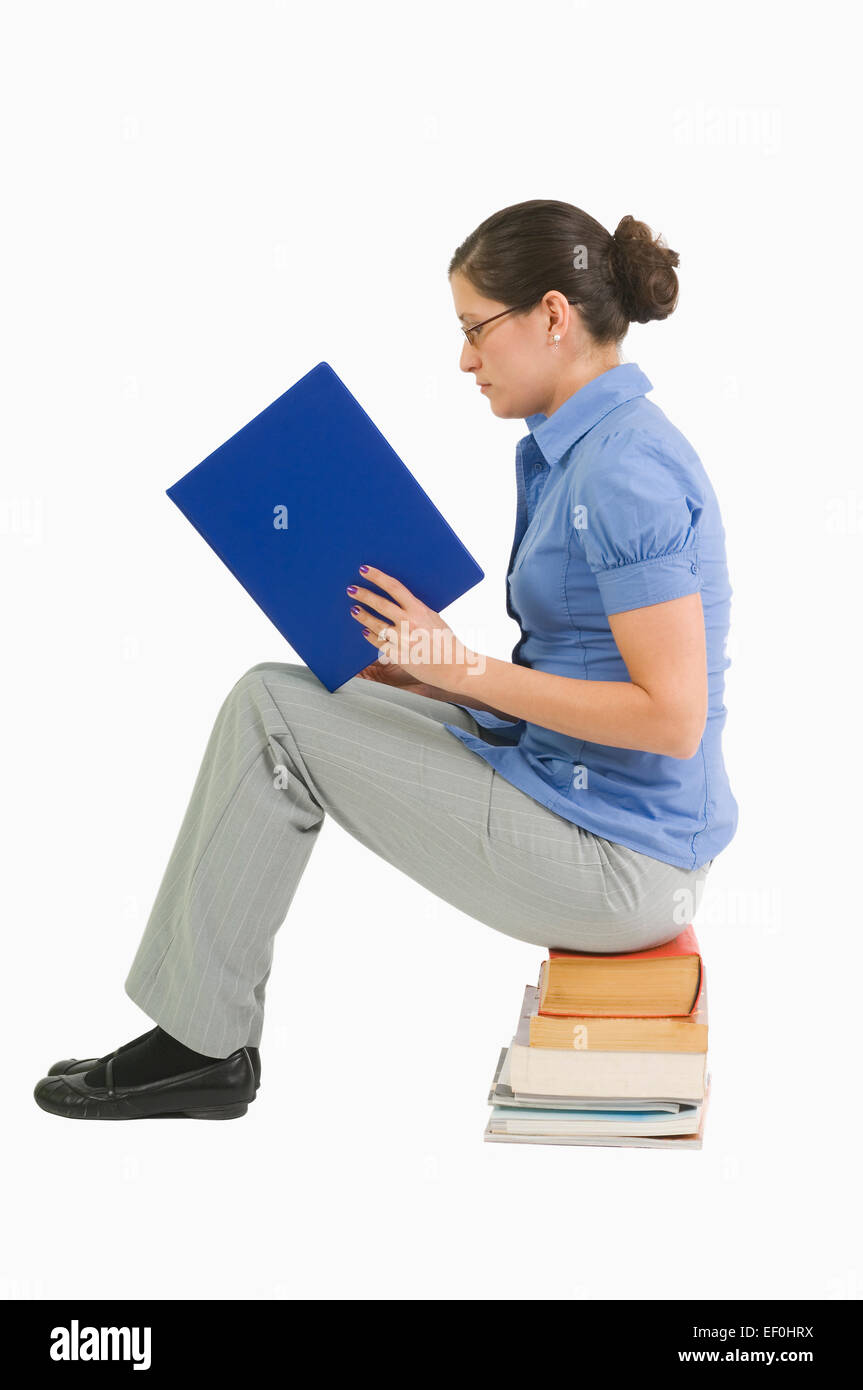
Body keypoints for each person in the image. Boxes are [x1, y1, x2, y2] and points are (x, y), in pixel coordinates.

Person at [34, 198, 737, 1122]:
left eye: (477, 329)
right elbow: (594, 673)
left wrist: (462, 670)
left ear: (553, 317)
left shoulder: (623, 470)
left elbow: (670, 717)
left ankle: (202, 1048)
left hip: (618, 863)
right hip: (578, 793)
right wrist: (431, 671)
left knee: (271, 716)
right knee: (276, 694)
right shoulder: (577, 452)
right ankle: (202, 1037)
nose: (465, 359)